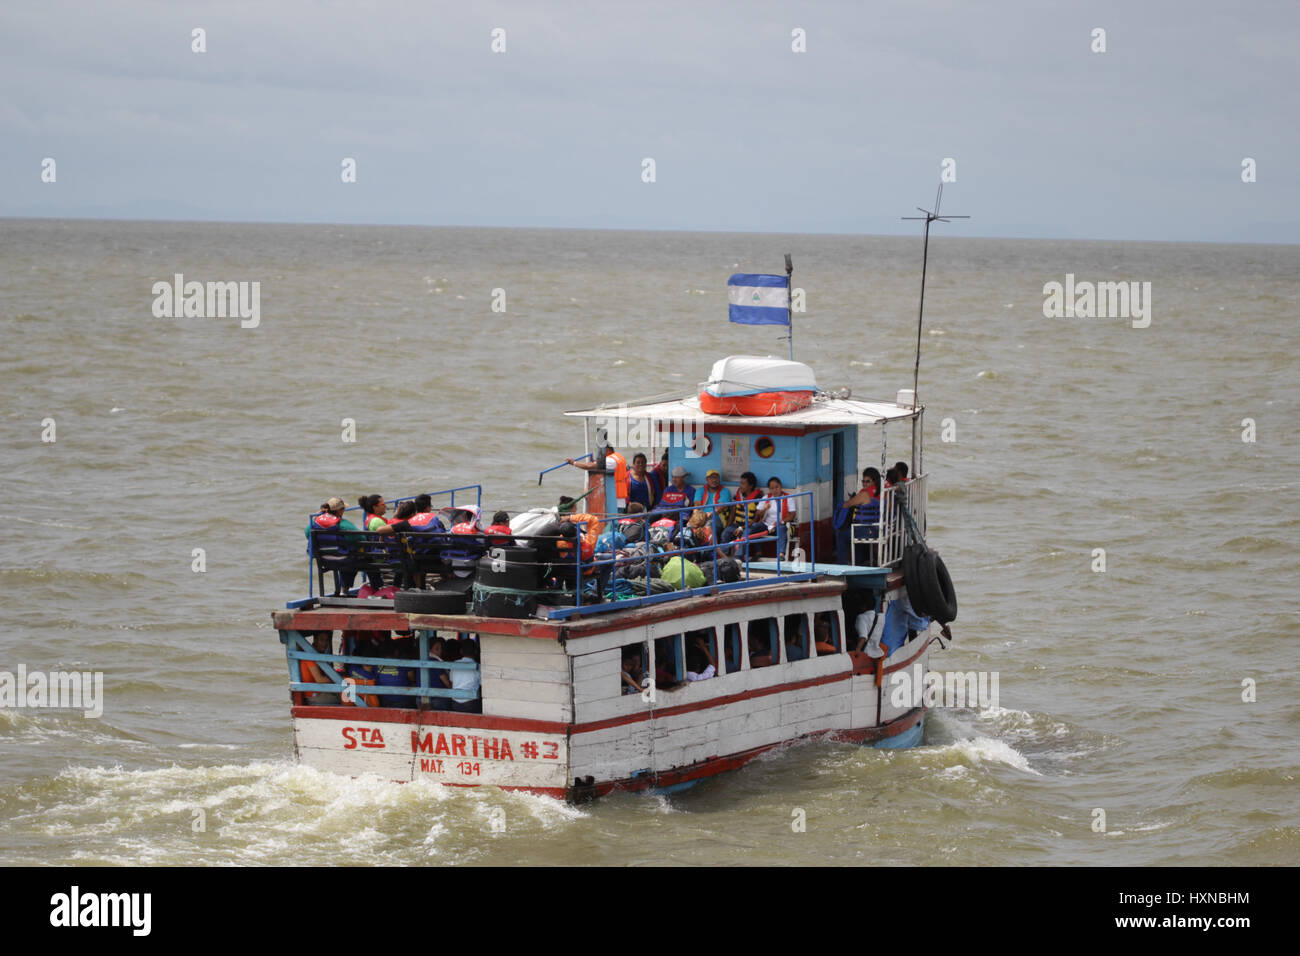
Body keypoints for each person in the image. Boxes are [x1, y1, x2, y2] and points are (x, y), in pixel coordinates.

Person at [306, 497, 363, 594]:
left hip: (324, 560)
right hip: (343, 559)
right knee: (354, 557)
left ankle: (341, 590)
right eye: (343, 509)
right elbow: (361, 538)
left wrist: (319, 514)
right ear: (340, 511)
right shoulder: (344, 524)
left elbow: (307, 534)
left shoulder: (315, 523)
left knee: (348, 555)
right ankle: (345, 589)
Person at [837, 468, 881, 565]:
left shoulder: (864, 494)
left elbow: (846, 505)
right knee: (855, 531)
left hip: (864, 531)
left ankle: (842, 564)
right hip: (876, 529)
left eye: (867, 481)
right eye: (863, 481)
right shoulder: (880, 494)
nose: (864, 484)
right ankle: (858, 561)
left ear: (874, 481)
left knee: (841, 534)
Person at [568, 443, 629, 512]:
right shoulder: (618, 457)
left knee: (611, 520)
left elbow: (589, 466)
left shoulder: (609, 460)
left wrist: (574, 463)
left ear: (607, 450)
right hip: (619, 498)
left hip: (613, 500)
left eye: (601, 452)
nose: (600, 455)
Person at [718, 472, 764, 554]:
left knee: (744, 536)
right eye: (740, 483)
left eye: (743, 483)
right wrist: (727, 526)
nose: (740, 486)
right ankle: (724, 556)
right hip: (736, 525)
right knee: (725, 533)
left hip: (749, 526)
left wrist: (742, 528)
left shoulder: (758, 498)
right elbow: (733, 512)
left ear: (750, 486)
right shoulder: (738, 496)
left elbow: (756, 519)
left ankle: (738, 558)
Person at [755, 476, 796, 555]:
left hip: (780, 525)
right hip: (766, 525)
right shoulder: (766, 498)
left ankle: (781, 554)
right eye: (772, 488)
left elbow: (792, 515)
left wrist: (781, 522)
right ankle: (758, 552)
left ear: (781, 486)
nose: (775, 490)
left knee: (781, 529)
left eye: (777, 487)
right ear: (770, 489)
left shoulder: (788, 498)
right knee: (755, 527)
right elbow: (758, 514)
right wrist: (764, 509)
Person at [300, 631, 342, 705]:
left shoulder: (317, 654)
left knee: (347, 695)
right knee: (348, 697)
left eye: (326, 640)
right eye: (321, 640)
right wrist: (340, 679)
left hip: (319, 692)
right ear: (315, 640)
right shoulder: (310, 655)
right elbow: (320, 679)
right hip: (313, 696)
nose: (324, 643)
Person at [694, 468, 732, 539]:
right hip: (702, 517)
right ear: (707, 479)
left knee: (708, 525)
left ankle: (710, 548)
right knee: (689, 525)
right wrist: (695, 518)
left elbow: (720, 508)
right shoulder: (700, 490)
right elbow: (697, 506)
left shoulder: (725, 491)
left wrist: (708, 515)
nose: (714, 480)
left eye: (716, 478)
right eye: (711, 478)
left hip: (718, 518)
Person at [450, 639, 482, 713]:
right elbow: (482, 685)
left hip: (455, 703)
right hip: (471, 703)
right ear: (476, 651)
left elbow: (451, 683)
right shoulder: (478, 666)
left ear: (461, 651)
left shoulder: (454, 664)